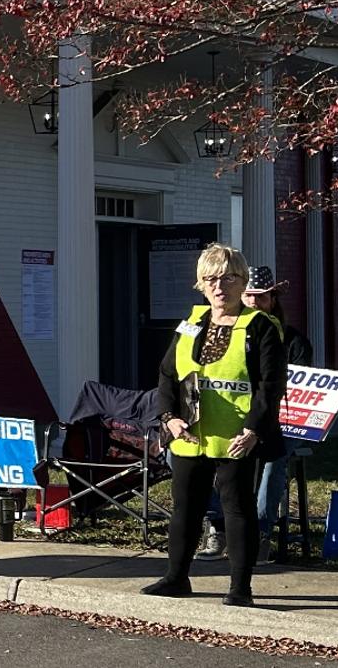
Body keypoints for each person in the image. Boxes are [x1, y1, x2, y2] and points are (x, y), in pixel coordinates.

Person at [142, 244, 286, 607]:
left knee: (237, 509)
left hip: (238, 437)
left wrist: (253, 430)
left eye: (228, 278)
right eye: (210, 279)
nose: (219, 286)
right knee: (185, 508)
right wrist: (169, 417)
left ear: (243, 282)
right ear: (200, 284)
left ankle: (240, 588)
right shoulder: (191, 323)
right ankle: (176, 578)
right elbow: (168, 374)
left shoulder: (261, 328)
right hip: (190, 434)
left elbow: (270, 386)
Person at [242, 266, 313, 563]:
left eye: (261, 297)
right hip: (238, 419)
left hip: (283, 422)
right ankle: (218, 524)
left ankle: (259, 533)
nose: (254, 302)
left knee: (274, 459)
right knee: (191, 456)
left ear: (273, 299)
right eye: (248, 296)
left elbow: (303, 389)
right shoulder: (228, 336)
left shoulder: (294, 341)